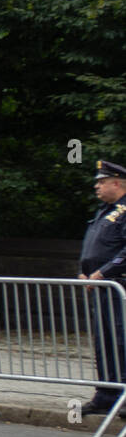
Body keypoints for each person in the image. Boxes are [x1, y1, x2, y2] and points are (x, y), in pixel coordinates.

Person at [79, 159, 126, 415]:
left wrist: (103, 272)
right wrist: (84, 271)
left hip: (120, 286)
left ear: (116, 182)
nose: (97, 186)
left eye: (102, 181)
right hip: (102, 288)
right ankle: (107, 394)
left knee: (121, 341)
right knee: (104, 342)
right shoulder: (104, 211)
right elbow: (94, 246)